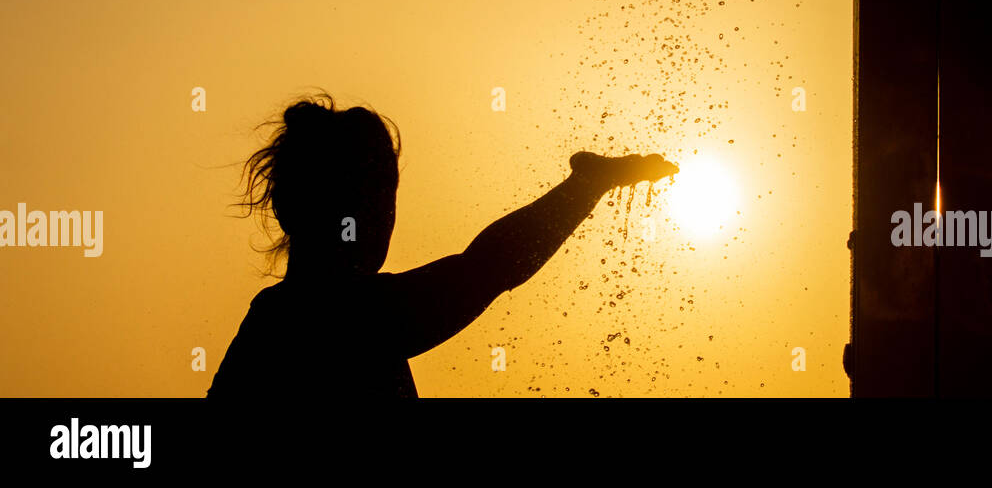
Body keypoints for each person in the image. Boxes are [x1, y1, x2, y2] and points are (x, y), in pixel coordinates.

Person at [207, 92, 676, 398]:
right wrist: (587, 185)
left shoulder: (274, 318)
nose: (376, 221)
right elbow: (488, 268)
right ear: (296, 207)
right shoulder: (333, 317)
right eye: (361, 199)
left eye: (383, 199)